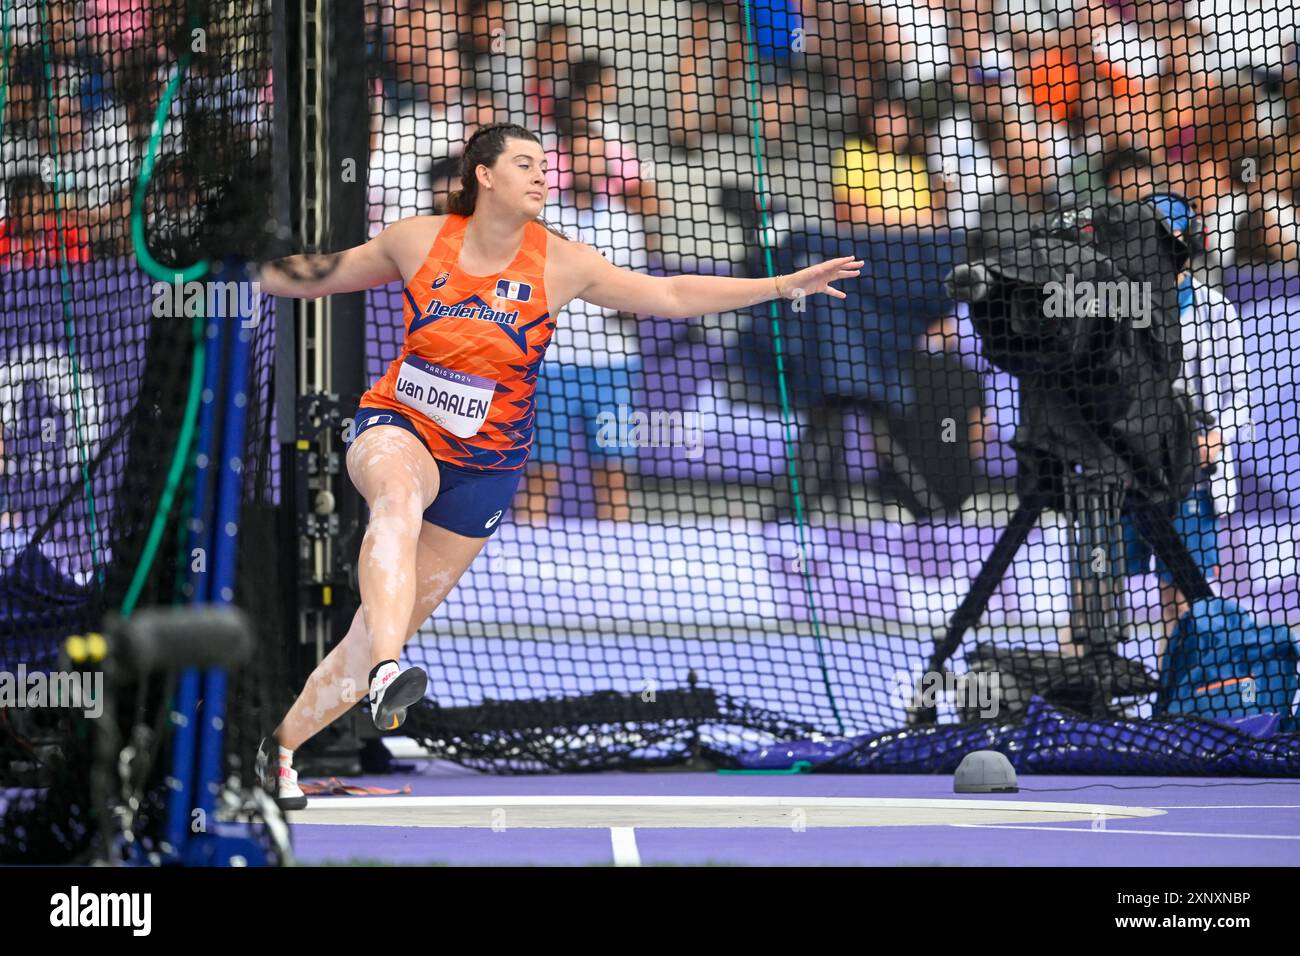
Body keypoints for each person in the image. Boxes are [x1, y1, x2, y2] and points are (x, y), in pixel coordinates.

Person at [251, 122, 861, 808]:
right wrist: (235, 266)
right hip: (399, 425)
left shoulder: (562, 261)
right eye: (525, 164)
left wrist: (780, 285)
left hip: (485, 469)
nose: (544, 175)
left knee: (367, 637)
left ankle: (278, 750)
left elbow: (668, 296)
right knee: (396, 501)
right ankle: (393, 670)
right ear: (484, 175)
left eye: (545, 166)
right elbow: (318, 276)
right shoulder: (418, 240)